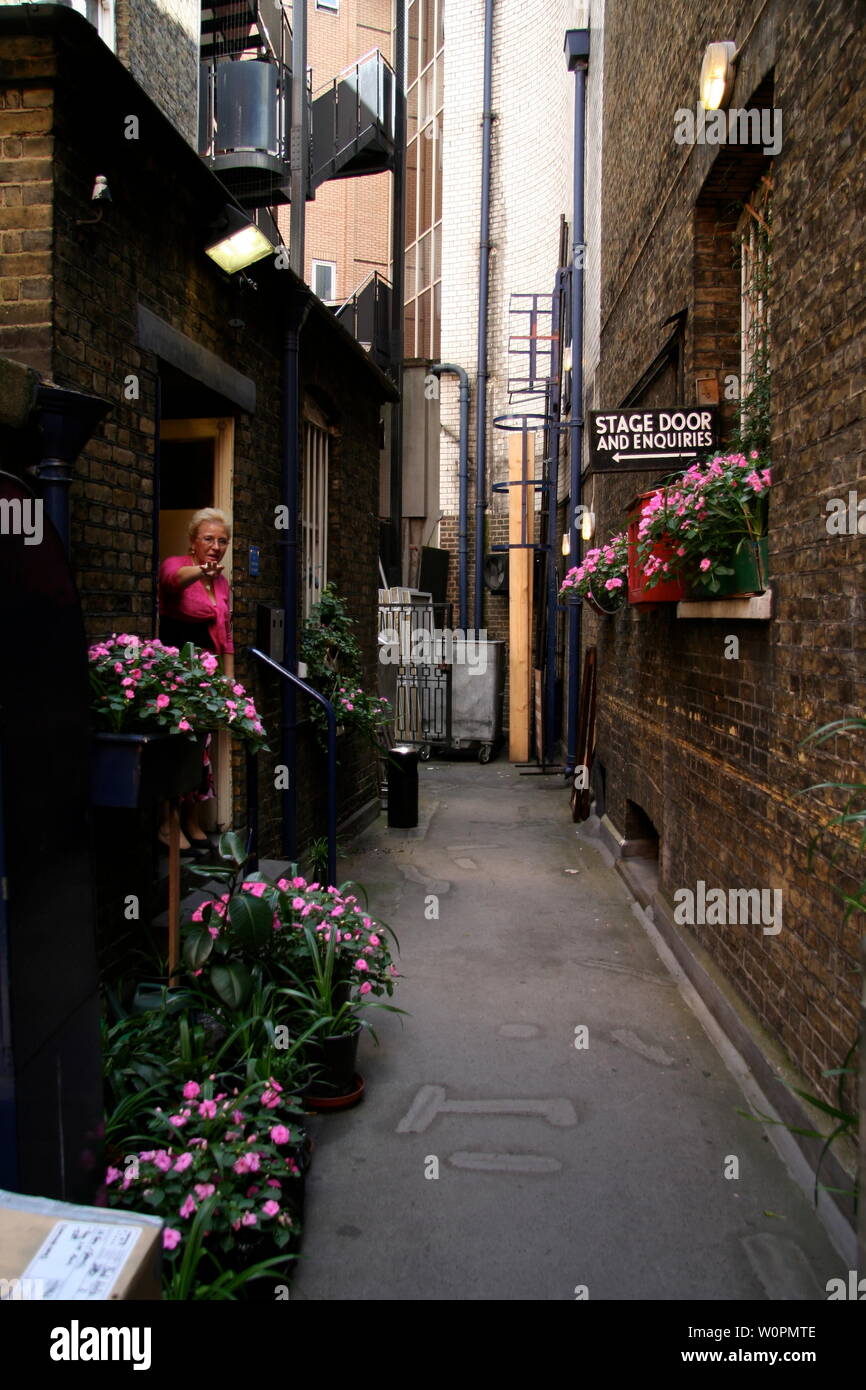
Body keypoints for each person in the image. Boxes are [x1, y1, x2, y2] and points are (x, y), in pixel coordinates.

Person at [157, 508, 235, 853]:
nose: (216, 546)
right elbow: (171, 583)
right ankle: (166, 824)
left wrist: (230, 686)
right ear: (193, 541)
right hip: (175, 672)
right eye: (208, 539)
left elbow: (226, 635)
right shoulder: (176, 566)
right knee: (176, 747)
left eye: (222, 541)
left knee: (200, 751)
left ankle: (191, 819)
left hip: (206, 675)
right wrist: (198, 571)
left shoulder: (221, 582)